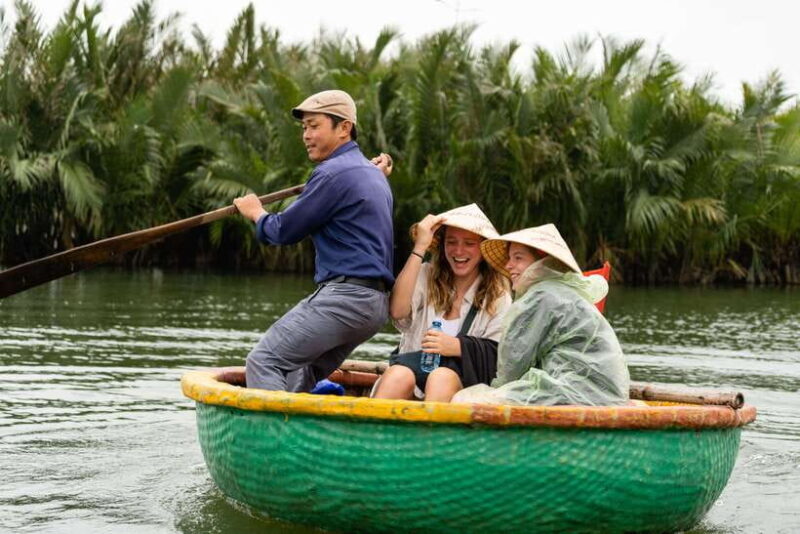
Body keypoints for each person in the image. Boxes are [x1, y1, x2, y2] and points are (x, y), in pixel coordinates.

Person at [233, 89, 394, 392]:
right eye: (304, 127)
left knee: (264, 360)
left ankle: (272, 439)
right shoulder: (371, 175)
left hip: (345, 299)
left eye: (315, 126)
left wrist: (256, 213)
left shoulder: (334, 173)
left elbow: (283, 231)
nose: (306, 135)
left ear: (344, 128)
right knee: (299, 373)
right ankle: (297, 435)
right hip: (374, 307)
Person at [452, 224, 630, 406]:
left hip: (578, 392)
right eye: (510, 258)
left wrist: (496, 392)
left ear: (540, 262)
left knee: (465, 400)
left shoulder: (540, 297)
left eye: (518, 258)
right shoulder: (559, 290)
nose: (508, 265)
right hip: (601, 392)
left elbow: (512, 369)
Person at [372, 204, 512, 402]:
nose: (458, 251)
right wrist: (420, 247)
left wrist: (458, 346)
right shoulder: (426, 274)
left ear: (482, 248)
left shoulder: (497, 296)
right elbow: (396, 311)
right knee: (398, 375)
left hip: (463, 389)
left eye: (469, 243)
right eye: (451, 242)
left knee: (440, 378)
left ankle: (433, 432)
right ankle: (375, 431)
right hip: (411, 379)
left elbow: (502, 357)